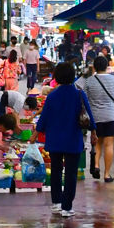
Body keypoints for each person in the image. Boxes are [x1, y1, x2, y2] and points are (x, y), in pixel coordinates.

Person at [34, 62, 94, 217]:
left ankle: (56, 202)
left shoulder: (52, 95)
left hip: (55, 139)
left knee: (56, 170)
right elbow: (88, 114)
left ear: (57, 76)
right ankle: (67, 207)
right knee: (71, 173)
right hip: (73, 138)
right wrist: (94, 131)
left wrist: (35, 134)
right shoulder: (79, 94)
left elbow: (44, 118)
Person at [77, 55, 114, 182]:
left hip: (95, 117)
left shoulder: (89, 81)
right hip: (112, 116)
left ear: (94, 67)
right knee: (109, 145)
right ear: (107, 66)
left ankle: (96, 166)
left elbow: (84, 99)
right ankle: (107, 174)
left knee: (97, 143)